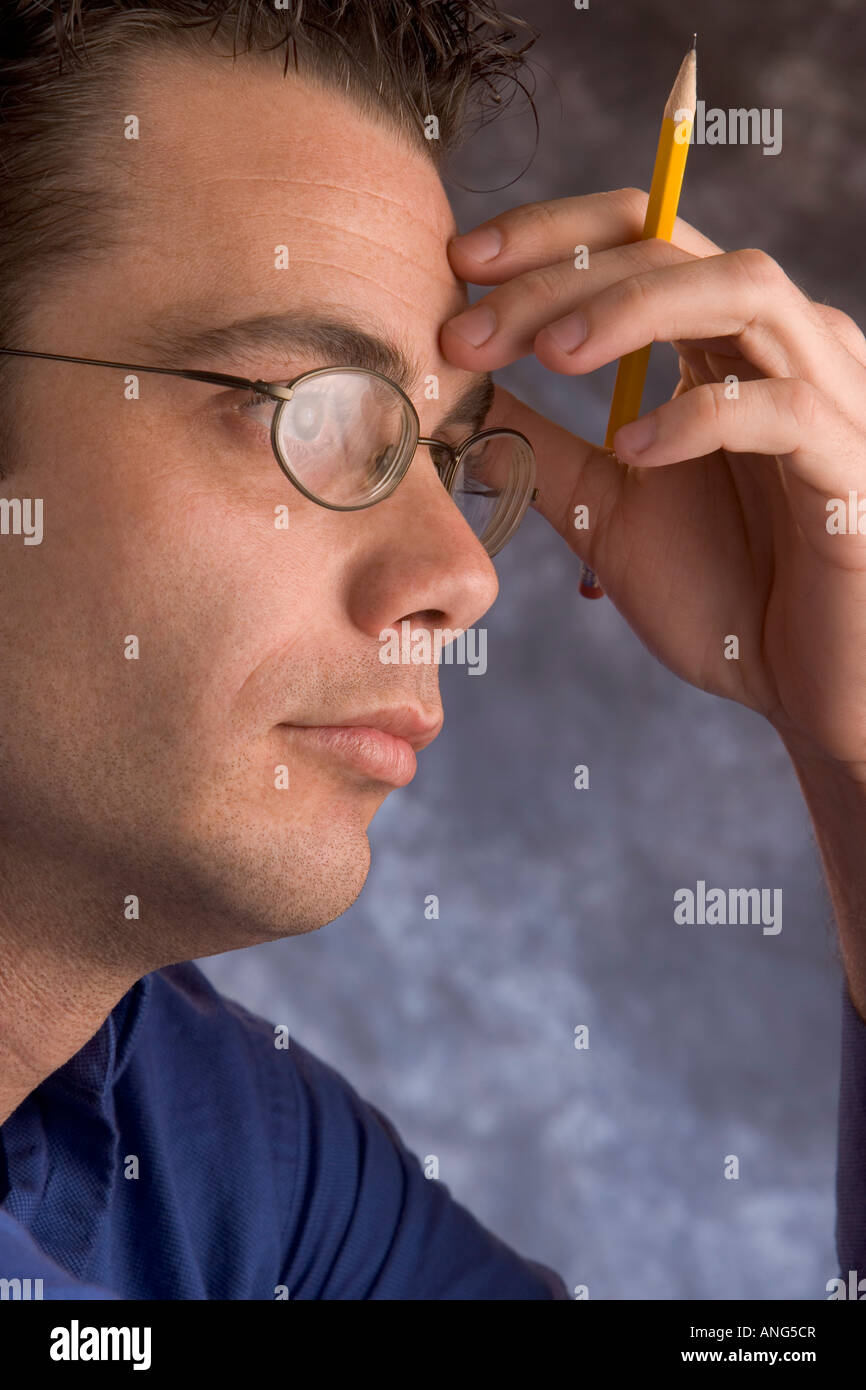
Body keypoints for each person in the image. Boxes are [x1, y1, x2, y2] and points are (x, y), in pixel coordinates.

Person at [0, 0, 864, 1301]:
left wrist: (852, 753)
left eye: (446, 455)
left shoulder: (234, 1159)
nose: (463, 578)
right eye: (311, 415)